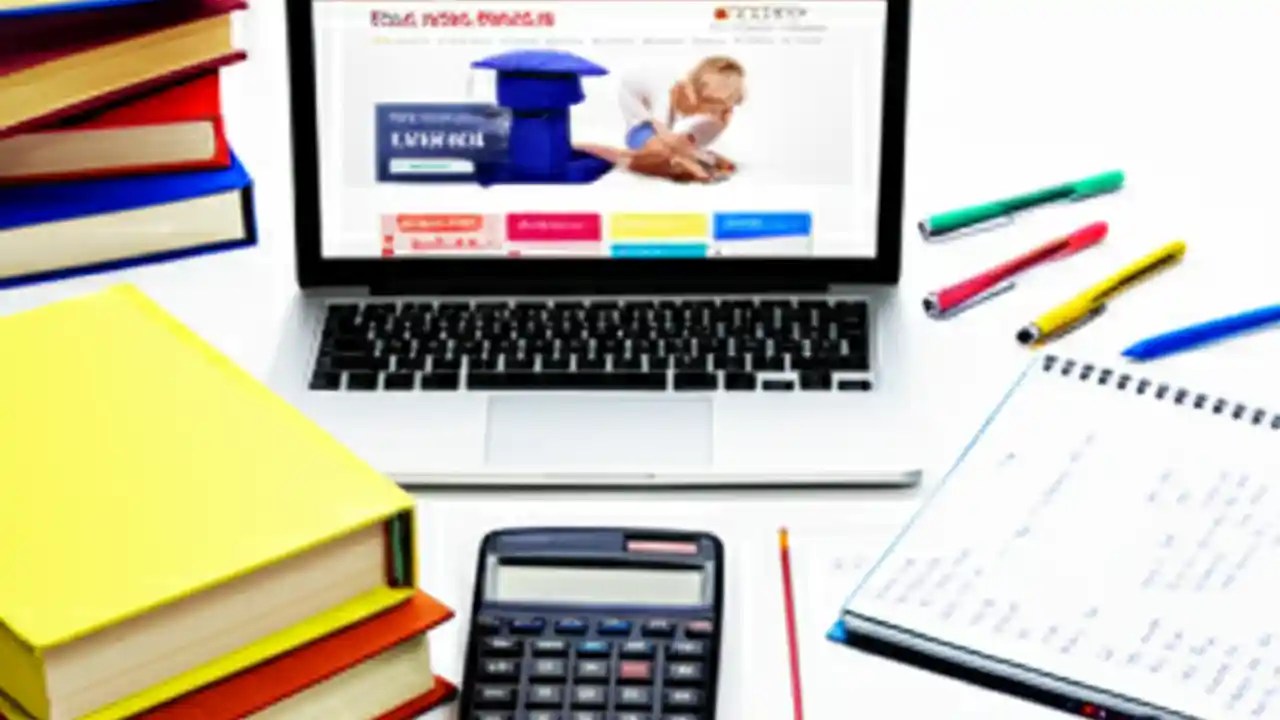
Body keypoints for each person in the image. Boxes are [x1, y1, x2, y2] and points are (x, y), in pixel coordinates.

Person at [578, 56, 745, 183]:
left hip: (660, 113)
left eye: (722, 106)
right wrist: (688, 159)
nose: (711, 113)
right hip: (639, 112)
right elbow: (665, 138)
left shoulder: (713, 106)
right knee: (659, 151)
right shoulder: (666, 93)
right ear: (692, 94)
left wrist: (717, 129)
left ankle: (690, 159)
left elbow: (695, 136)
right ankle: (609, 156)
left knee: (680, 146)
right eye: (709, 105)